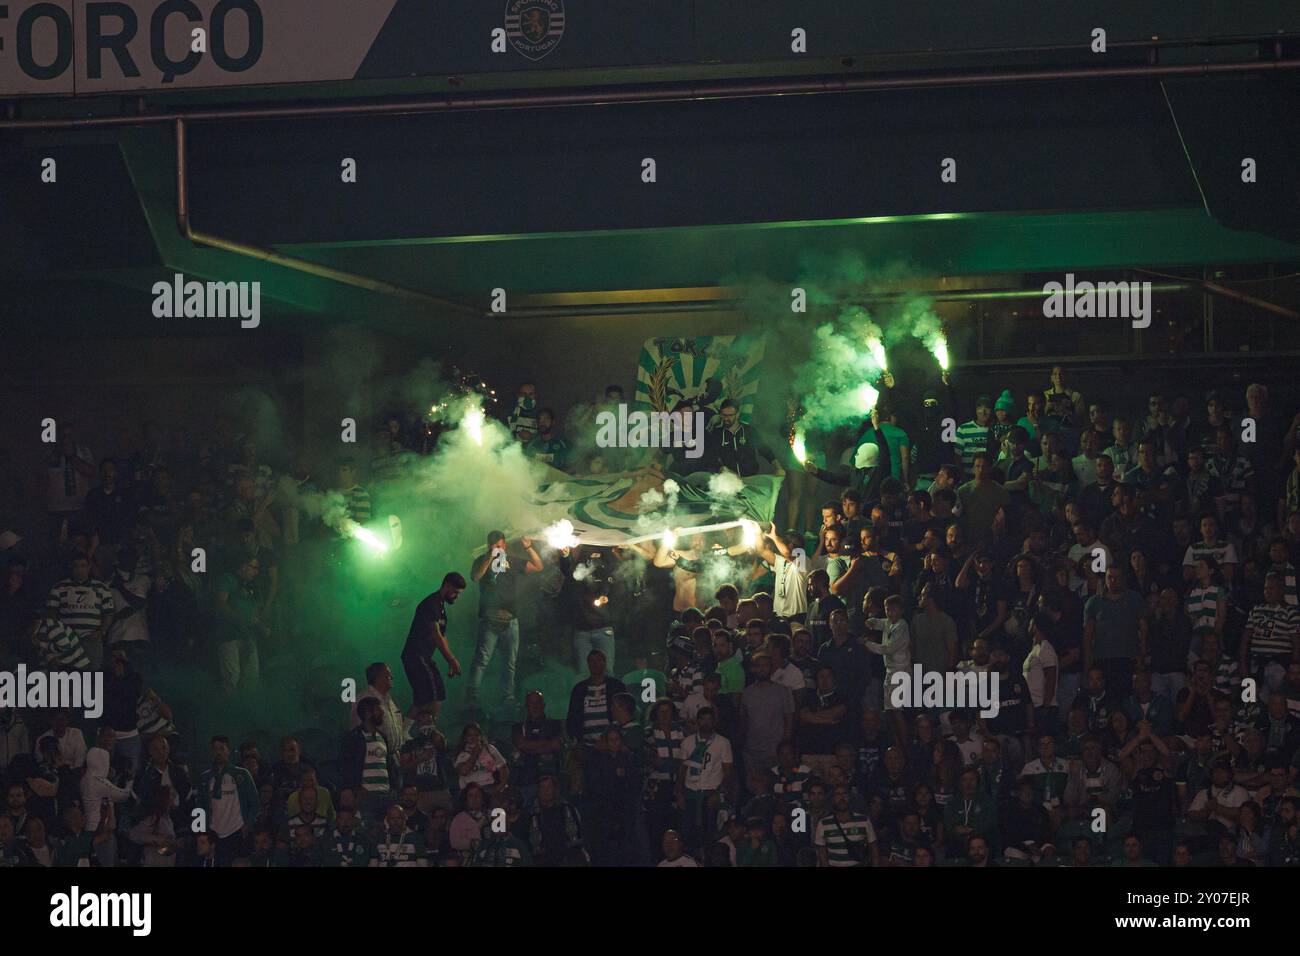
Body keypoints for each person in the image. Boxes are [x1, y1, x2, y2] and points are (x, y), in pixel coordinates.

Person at [468, 531, 542, 710]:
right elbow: (475, 576)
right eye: (493, 546)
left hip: (510, 619)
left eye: (500, 546)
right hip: (490, 619)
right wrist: (489, 557)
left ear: (505, 545)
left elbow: (538, 566)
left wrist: (528, 547)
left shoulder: (513, 560)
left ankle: (507, 698)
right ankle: (472, 697)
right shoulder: (481, 560)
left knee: (510, 661)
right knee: (482, 660)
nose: (497, 549)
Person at [401, 572, 466, 724]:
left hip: (422, 656)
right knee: (432, 694)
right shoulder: (431, 604)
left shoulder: (440, 607)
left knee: (430, 694)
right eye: (456, 592)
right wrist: (451, 659)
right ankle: (423, 732)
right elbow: (436, 634)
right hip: (416, 655)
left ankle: (408, 731)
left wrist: (450, 661)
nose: (457, 596)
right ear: (447, 586)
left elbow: (442, 637)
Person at [195, 735, 260, 866]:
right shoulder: (205, 778)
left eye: (222, 748)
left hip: (237, 830)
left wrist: (248, 824)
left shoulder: (241, 775)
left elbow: (255, 803)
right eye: (215, 749)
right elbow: (199, 807)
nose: (218, 752)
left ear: (228, 751)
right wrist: (201, 832)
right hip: (213, 833)